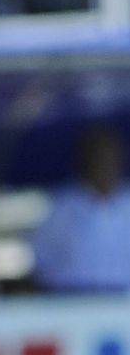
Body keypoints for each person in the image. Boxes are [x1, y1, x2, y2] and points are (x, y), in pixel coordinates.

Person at [32, 124, 130, 292]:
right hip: (74, 300)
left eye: (109, 157)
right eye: (98, 157)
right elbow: (42, 258)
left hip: (123, 300)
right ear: (85, 160)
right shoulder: (63, 206)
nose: (104, 164)